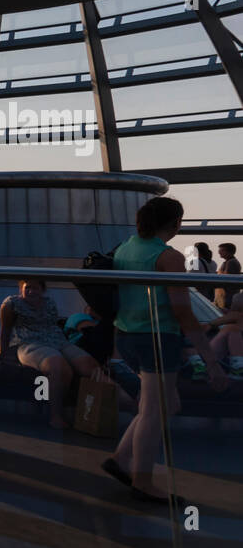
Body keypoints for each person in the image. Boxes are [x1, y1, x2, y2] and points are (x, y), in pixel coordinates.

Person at [102, 197, 228, 501]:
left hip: (127, 336)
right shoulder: (167, 257)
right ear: (175, 223)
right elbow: (183, 313)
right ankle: (142, 481)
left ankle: (120, 460)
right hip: (157, 339)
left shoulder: (125, 248)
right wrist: (210, 360)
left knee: (164, 406)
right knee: (154, 412)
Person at [0, 278, 100, 429]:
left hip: (58, 341)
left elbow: (52, 325)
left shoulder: (49, 303)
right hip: (29, 342)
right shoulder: (12, 304)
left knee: (89, 366)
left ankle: (126, 400)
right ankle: (56, 416)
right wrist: (2, 351)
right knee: (59, 367)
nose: (31, 291)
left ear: (42, 290)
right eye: (27, 288)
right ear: (21, 289)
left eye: (36, 288)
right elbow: (5, 329)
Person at [206, 290, 243, 379]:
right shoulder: (235, 317)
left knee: (231, 329)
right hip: (219, 358)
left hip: (213, 358)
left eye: (233, 303)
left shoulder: (237, 315)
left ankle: (238, 366)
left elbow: (211, 324)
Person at [215, 242, 241, 309]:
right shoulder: (229, 262)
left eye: (222, 250)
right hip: (225, 297)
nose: (219, 252)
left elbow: (227, 280)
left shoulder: (231, 262)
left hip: (227, 298)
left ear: (230, 252)